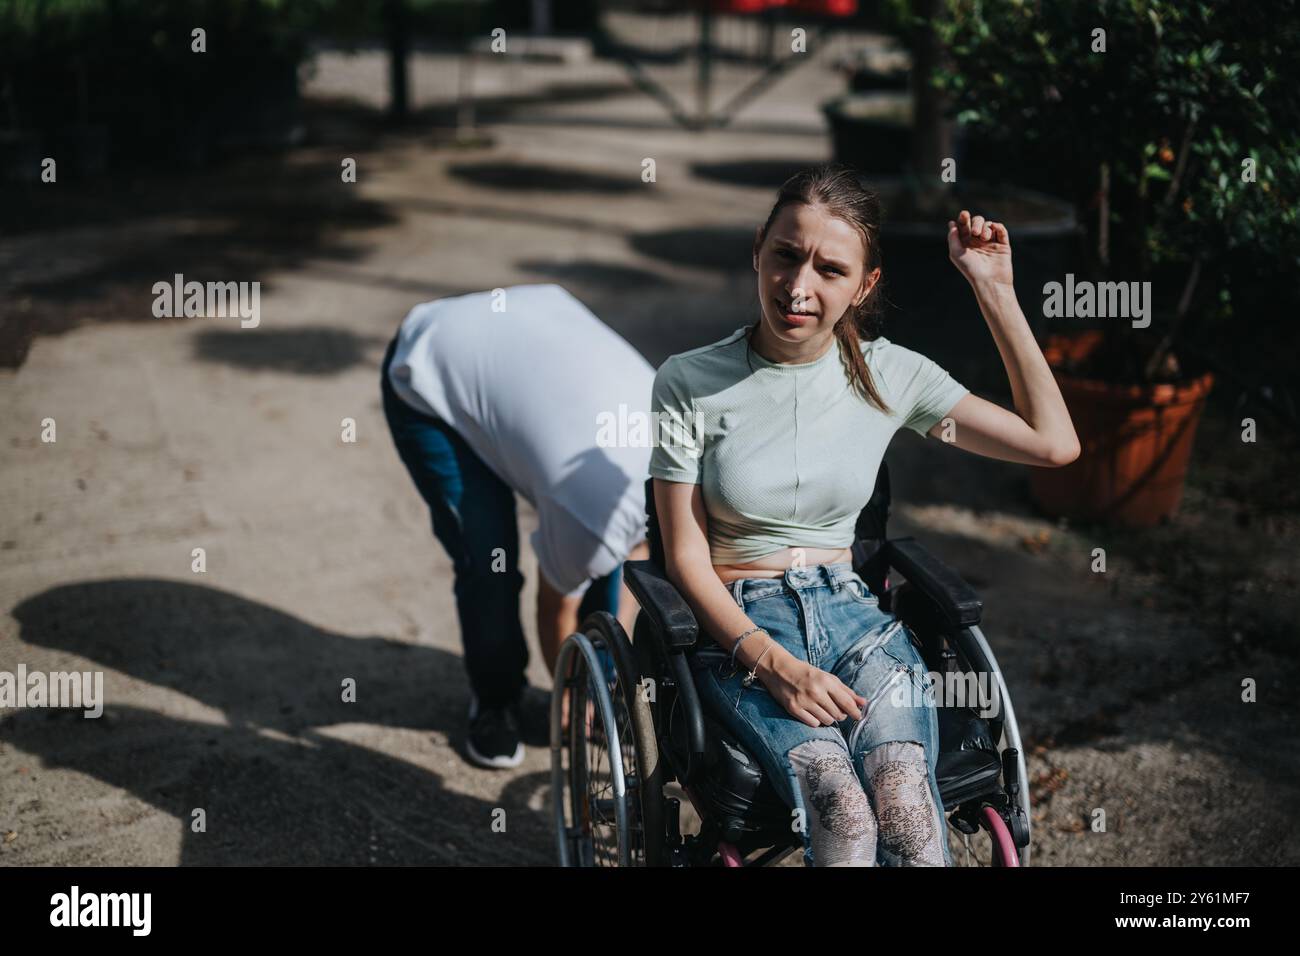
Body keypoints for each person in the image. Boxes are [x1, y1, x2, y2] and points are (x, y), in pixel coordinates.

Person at [649, 164, 1079, 866]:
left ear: (864, 285)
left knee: (907, 813)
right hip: (741, 626)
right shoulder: (689, 381)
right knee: (842, 812)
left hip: (857, 622)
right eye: (786, 256)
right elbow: (684, 560)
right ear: (758, 248)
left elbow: (1054, 444)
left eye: (830, 268)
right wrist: (773, 663)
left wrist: (994, 291)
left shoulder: (890, 375)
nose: (798, 287)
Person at [381, 284, 652, 769]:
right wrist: (564, 694)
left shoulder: (682, 456)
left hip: (526, 325)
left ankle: (600, 696)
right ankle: (496, 698)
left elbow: (641, 553)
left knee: (605, 555)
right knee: (489, 557)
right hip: (429, 364)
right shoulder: (595, 513)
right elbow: (556, 611)